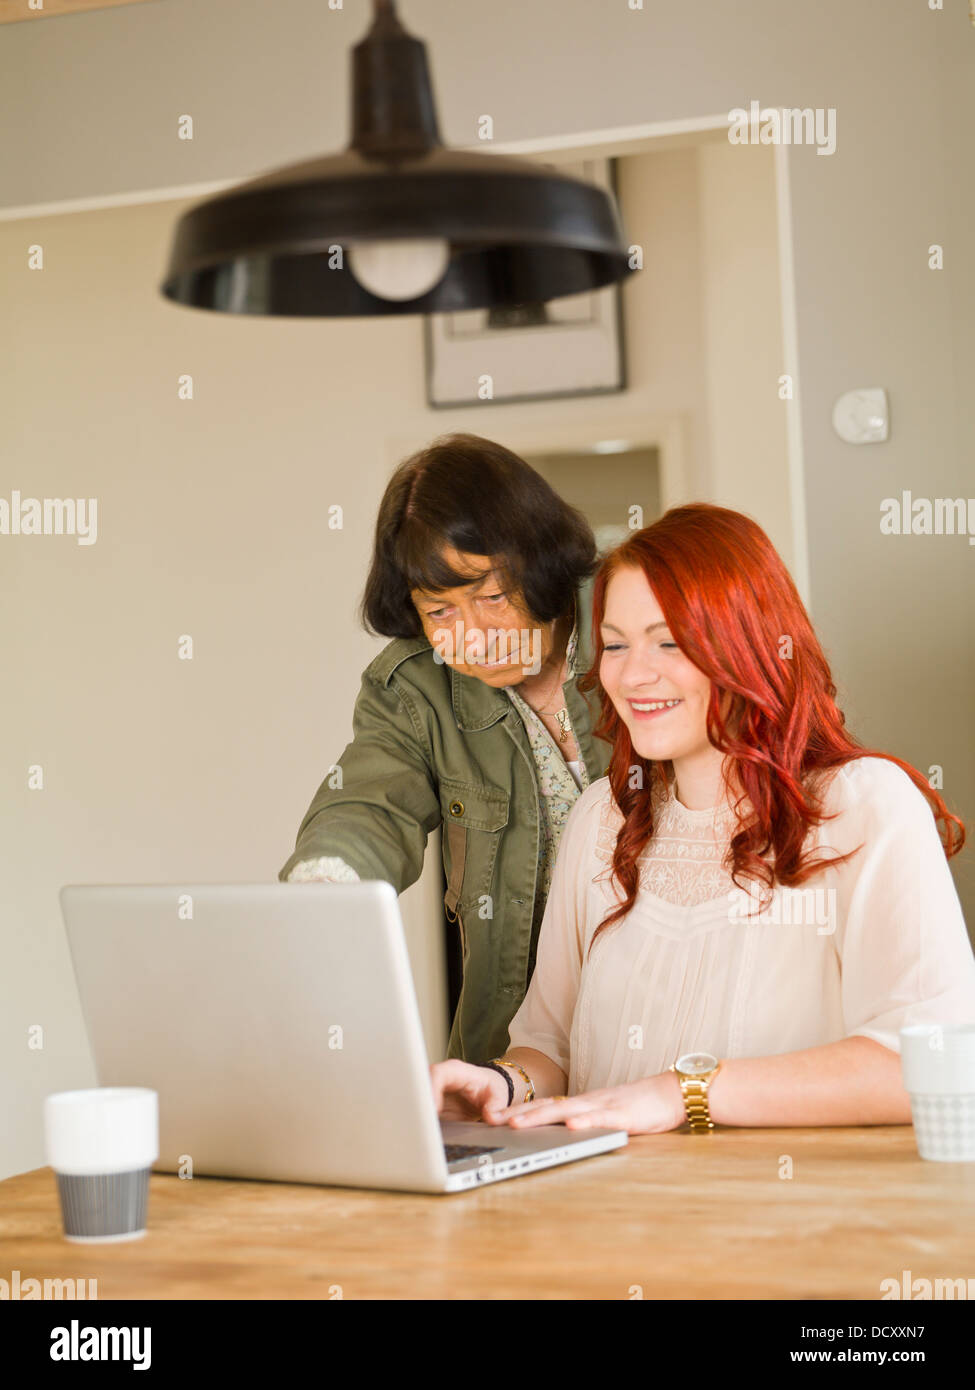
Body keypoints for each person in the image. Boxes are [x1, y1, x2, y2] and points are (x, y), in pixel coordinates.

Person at [430, 502, 975, 1132]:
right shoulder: (601, 817)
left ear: (749, 645)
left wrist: (683, 1091)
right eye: (614, 644)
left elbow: (931, 1062)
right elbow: (548, 1045)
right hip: (607, 1214)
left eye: (670, 641)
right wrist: (504, 1081)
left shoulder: (863, 804)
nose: (634, 674)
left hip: (788, 1220)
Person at [279, 432, 612, 1063]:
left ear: (541, 561)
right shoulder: (415, 688)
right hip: (514, 1058)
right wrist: (329, 884)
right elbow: (370, 805)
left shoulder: (635, 634)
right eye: (440, 611)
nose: (475, 638)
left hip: (664, 1041)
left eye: (492, 596)